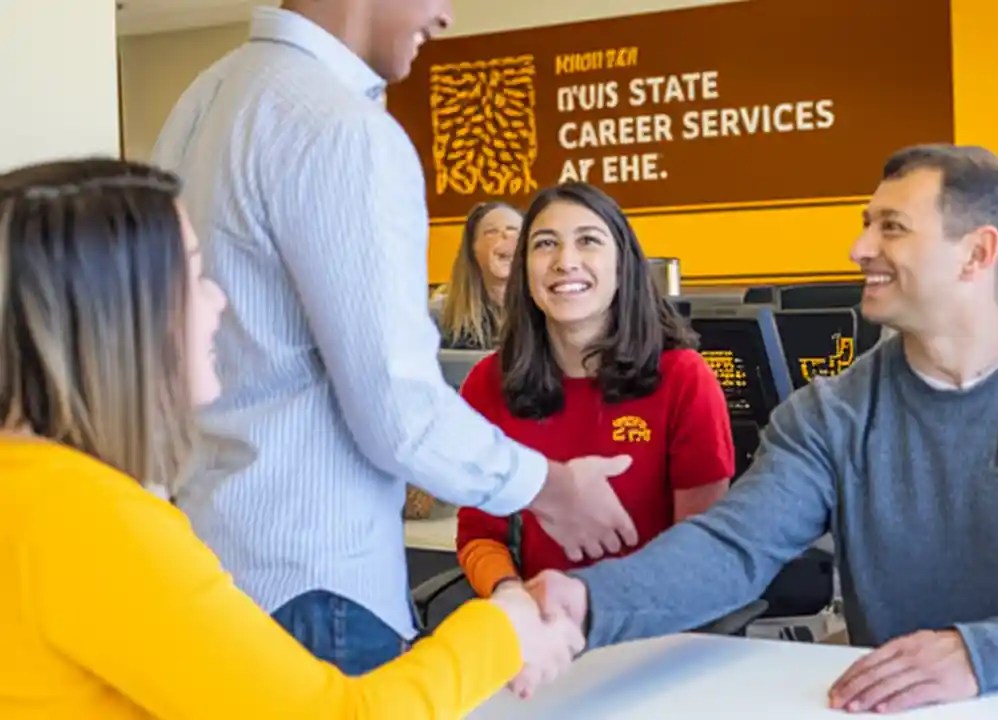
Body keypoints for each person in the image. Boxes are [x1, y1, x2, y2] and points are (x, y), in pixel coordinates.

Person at [520, 145, 998, 713]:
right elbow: (730, 550)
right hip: (903, 709)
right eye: (866, 222)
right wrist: (587, 601)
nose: (859, 247)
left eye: (891, 227)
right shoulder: (830, 414)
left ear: (977, 254)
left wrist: (982, 652)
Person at [150, 1, 637, 673]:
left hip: (209, 570)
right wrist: (552, 489)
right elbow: (398, 410)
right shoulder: (344, 129)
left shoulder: (206, 99)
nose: (444, 16)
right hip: (316, 591)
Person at [0, 158, 582, 719]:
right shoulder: (88, 521)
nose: (218, 300)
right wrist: (502, 627)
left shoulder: (34, 495)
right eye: (194, 275)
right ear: (116, 314)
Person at [455, 183, 734, 599]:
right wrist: (510, 595)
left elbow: (699, 550)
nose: (565, 262)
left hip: (653, 623)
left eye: (588, 241)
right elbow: (480, 534)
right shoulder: (487, 382)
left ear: (623, 265)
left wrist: (599, 611)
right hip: (539, 626)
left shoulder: (683, 378)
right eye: (545, 244)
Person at [439, 200, 523, 350]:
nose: (505, 235)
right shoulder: (441, 323)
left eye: (514, 230)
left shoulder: (550, 320)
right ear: (473, 249)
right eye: (492, 231)